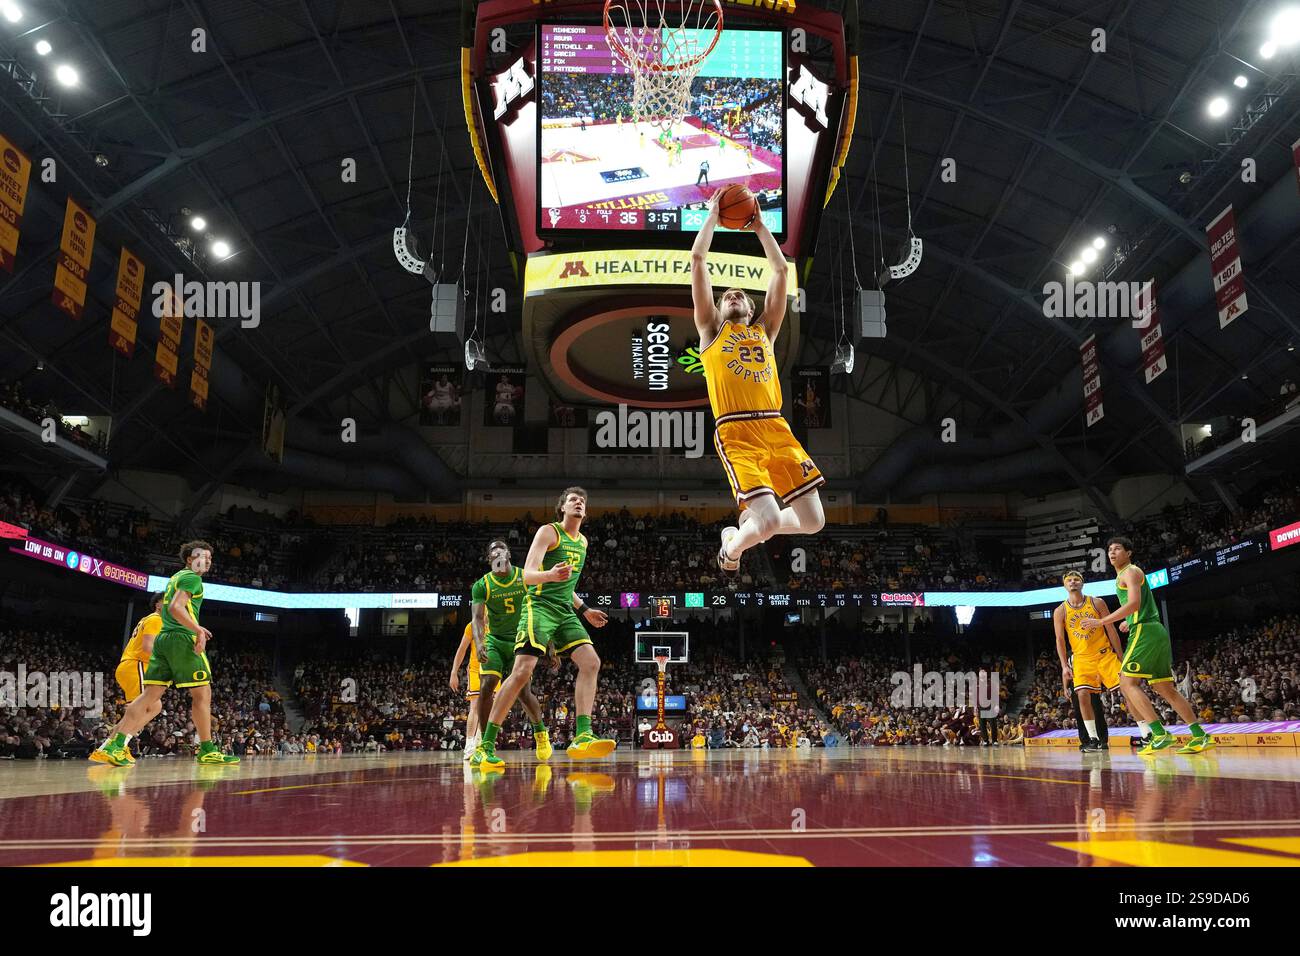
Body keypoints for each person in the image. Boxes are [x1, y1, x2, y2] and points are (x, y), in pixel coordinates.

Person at [689, 189, 824, 575]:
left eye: (740, 296)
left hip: (776, 426)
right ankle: (731, 548)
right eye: (726, 296)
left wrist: (762, 228)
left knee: (814, 521)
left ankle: (745, 529)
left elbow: (781, 272)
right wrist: (713, 217)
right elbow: (698, 260)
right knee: (765, 525)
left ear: (752, 309)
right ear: (717, 309)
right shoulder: (710, 331)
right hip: (737, 431)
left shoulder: (766, 331)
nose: (732, 296)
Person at [470, 488, 614, 769]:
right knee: (522, 673)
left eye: (582, 500)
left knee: (591, 662)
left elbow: (567, 585)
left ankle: (583, 735)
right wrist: (549, 575)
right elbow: (527, 576)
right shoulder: (549, 532)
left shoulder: (582, 542)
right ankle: (484, 746)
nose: (579, 502)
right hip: (539, 607)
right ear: (562, 508)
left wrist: (584, 610)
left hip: (564, 611)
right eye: (573, 500)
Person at [90, 541, 239, 766]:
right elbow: (175, 607)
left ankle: (116, 745)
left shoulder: (176, 577)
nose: (206, 560)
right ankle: (208, 750)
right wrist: (197, 629)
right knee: (202, 694)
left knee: (150, 697)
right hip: (180, 639)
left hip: (164, 640)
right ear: (190, 559)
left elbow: (171, 609)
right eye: (201, 556)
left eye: (209, 558)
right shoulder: (192, 578)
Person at [1079, 537, 1213, 754]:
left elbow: (1134, 603)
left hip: (1145, 631)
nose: (1112, 553)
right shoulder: (1125, 574)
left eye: (1117, 549)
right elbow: (1137, 606)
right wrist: (1128, 620)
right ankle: (1199, 735)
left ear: (1129, 552)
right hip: (1152, 629)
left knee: (1126, 683)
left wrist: (1102, 621)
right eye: (1109, 550)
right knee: (1165, 689)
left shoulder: (1130, 572)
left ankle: (1159, 733)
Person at [463, 539, 555, 761]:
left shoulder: (525, 577)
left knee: (523, 692)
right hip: (494, 640)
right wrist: (480, 641)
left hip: (521, 639)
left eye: (501, 548)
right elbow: (476, 618)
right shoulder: (482, 585)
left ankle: (541, 733)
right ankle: (486, 745)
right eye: (492, 550)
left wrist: (550, 644)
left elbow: (542, 609)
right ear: (489, 559)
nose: (497, 552)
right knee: (487, 686)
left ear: (509, 554)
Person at [1054, 570, 1123, 753]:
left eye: (1077, 579)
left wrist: (1120, 655)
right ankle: (1091, 739)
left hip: (1104, 655)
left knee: (1123, 691)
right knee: (1082, 697)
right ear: (1064, 585)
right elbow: (1060, 640)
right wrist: (1063, 667)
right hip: (1081, 660)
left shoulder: (1096, 602)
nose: (1073, 582)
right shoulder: (1060, 610)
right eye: (1069, 580)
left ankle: (1145, 732)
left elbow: (1111, 630)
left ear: (1082, 584)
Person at [113, 593, 165, 760]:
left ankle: (109, 746)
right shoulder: (156, 619)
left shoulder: (151, 620)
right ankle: (118, 746)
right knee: (152, 706)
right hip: (136, 665)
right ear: (158, 604)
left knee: (139, 710)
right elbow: (148, 647)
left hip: (130, 667)